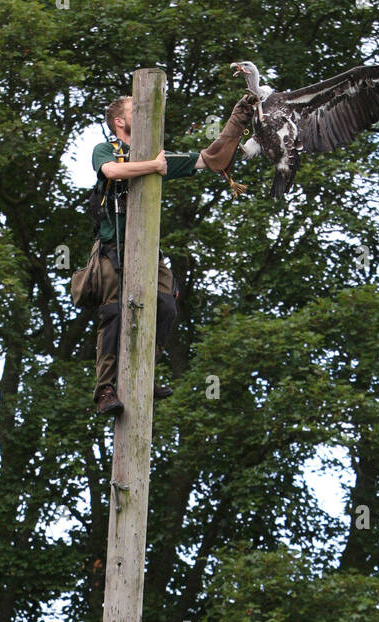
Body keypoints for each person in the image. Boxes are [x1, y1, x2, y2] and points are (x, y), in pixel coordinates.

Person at [91, 93, 256, 415]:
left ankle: (144, 372)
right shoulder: (107, 149)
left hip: (149, 252)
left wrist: (238, 120)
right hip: (113, 250)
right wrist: (154, 166)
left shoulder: (158, 155)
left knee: (165, 305)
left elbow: (212, 159)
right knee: (114, 315)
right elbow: (111, 172)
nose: (144, 112)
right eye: (133, 109)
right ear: (120, 122)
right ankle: (106, 390)